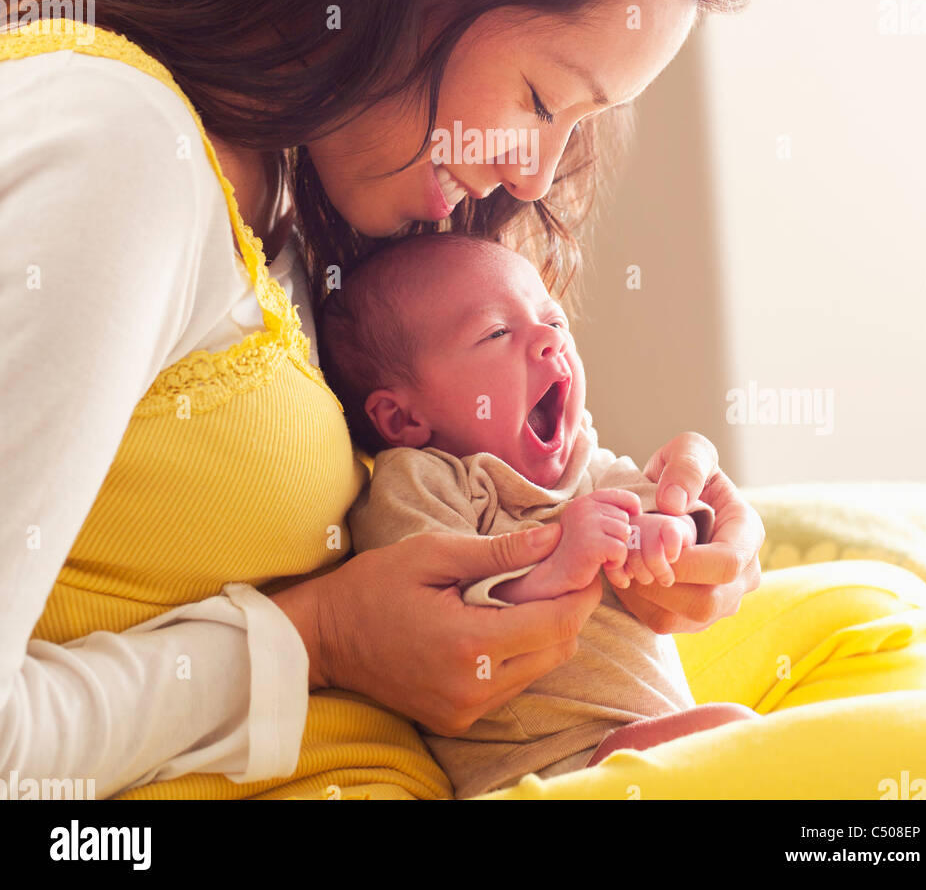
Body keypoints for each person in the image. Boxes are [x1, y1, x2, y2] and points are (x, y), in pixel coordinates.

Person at [1, 0, 926, 802]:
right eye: (544, 98)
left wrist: (661, 520)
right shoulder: (115, 158)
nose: (535, 180)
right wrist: (316, 639)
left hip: (441, 729)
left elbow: (453, 480)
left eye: (578, 125)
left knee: (876, 617)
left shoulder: (301, 183)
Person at [322, 230, 760, 799]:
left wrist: (672, 532)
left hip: (639, 740)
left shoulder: (587, 461)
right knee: (737, 736)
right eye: (496, 332)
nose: (548, 343)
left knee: (739, 746)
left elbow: (683, 518)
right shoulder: (423, 481)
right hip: (551, 768)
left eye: (553, 322)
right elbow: (429, 617)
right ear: (403, 419)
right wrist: (553, 572)